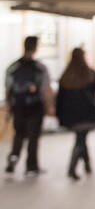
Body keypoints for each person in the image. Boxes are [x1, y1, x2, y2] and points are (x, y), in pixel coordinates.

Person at [54, 48, 95, 180]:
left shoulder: (66, 75)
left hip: (70, 115)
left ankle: (87, 164)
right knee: (81, 139)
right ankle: (72, 168)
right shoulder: (90, 74)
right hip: (86, 113)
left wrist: (59, 115)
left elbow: (59, 98)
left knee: (81, 137)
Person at [5, 35, 51, 176]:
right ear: (35, 47)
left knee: (18, 135)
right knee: (33, 137)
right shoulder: (40, 68)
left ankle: (12, 161)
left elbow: (8, 89)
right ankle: (31, 166)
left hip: (18, 107)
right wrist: (49, 106)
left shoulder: (13, 67)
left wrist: (8, 109)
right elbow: (45, 89)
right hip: (35, 107)